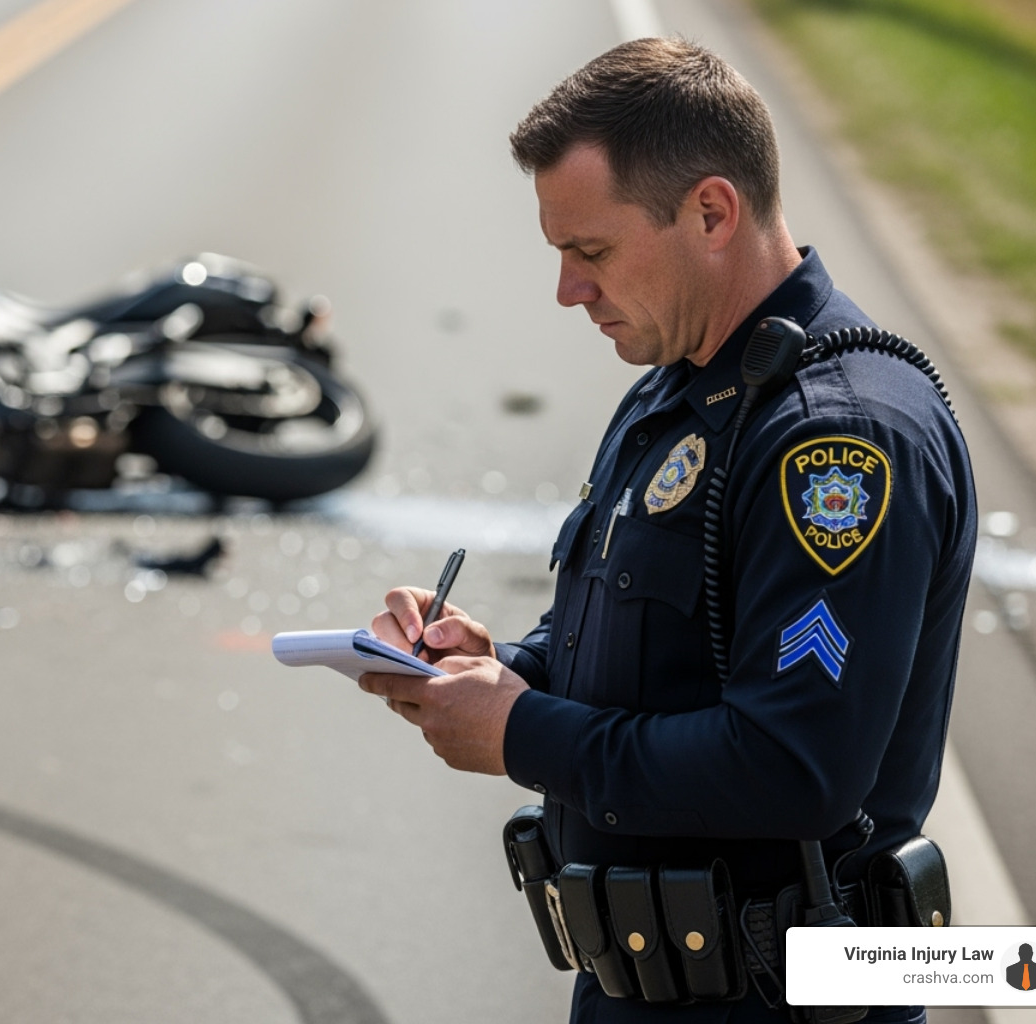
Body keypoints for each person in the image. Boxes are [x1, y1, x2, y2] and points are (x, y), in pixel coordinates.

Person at [358, 38, 976, 1024]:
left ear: (712, 212)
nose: (568, 289)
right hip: (637, 988)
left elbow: (794, 766)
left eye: (591, 250)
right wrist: (499, 666)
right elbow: (658, 658)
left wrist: (519, 730)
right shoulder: (685, 391)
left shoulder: (838, 439)